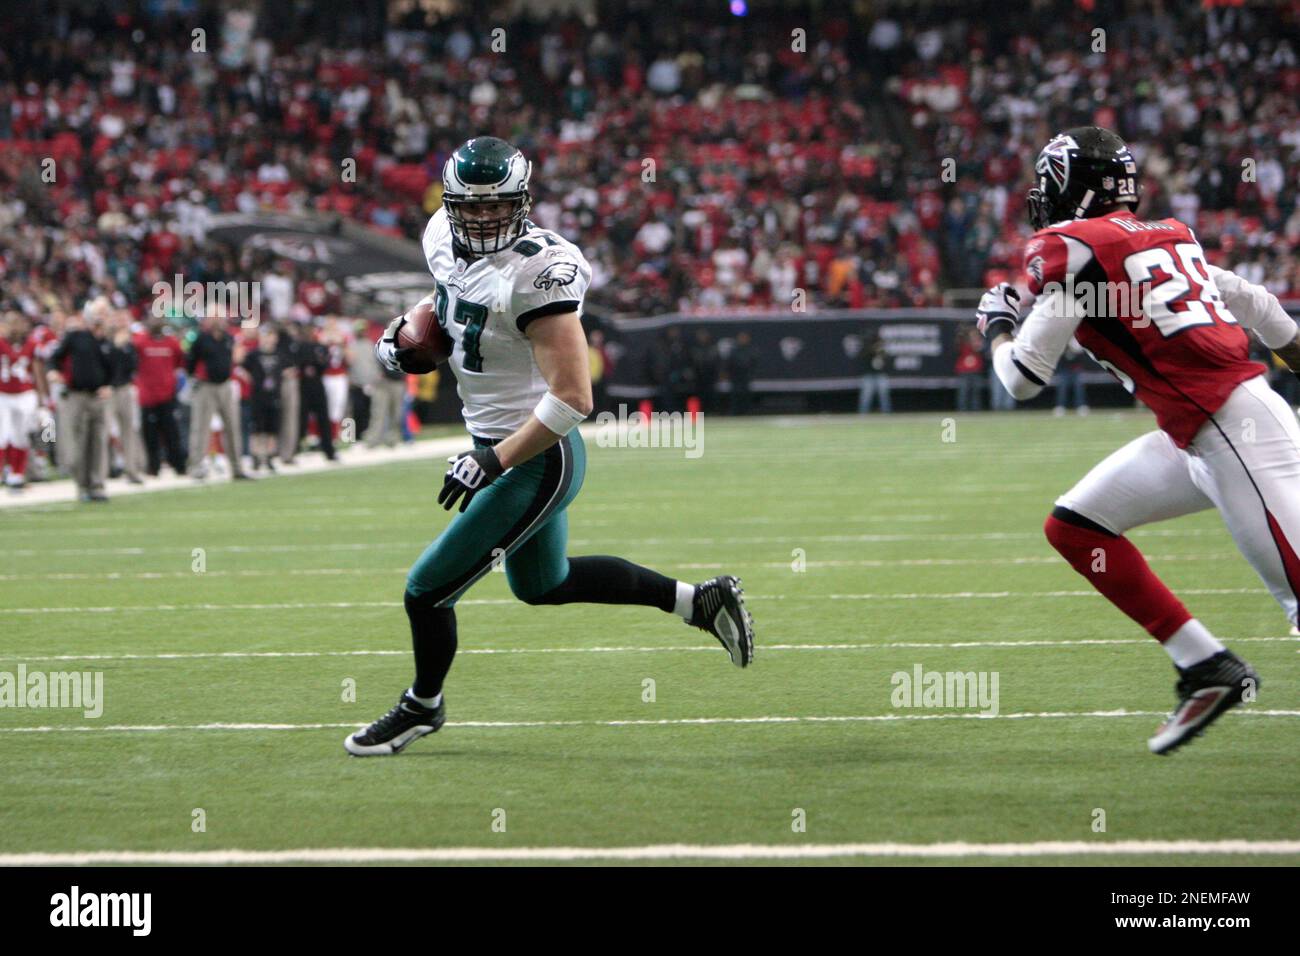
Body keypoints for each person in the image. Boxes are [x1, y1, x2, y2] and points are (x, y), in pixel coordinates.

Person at [347, 136, 755, 757]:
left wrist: (492, 460)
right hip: (502, 445)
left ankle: (421, 706)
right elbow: (448, 298)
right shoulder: (439, 235)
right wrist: (402, 335)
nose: (484, 218)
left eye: (497, 205)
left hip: (537, 457)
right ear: (451, 202)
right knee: (543, 584)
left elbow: (573, 400)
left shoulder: (539, 271)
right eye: (471, 206)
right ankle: (699, 602)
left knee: (425, 590)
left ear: (523, 200)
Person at [976, 127, 1300, 754]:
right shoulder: (1169, 240)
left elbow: (1020, 378)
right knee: (1077, 525)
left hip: (1232, 427)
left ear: (1071, 188)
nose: (1041, 200)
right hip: (1201, 433)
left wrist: (996, 327)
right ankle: (1206, 665)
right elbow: (1255, 303)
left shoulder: (1077, 252)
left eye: (1048, 187)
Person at [49, 306, 113, 501]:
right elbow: (55, 358)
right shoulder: (76, 337)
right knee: (79, 442)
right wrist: (54, 372)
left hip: (98, 396)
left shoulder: (106, 341)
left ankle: (97, 484)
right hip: (77, 395)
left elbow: (114, 368)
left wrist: (109, 385)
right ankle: (82, 485)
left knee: (98, 441)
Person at [187, 312, 250, 480]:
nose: (218, 320)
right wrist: (196, 378)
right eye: (214, 316)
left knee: (232, 427)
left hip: (226, 385)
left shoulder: (229, 338)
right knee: (201, 427)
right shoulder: (201, 339)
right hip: (206, 386)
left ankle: (237, 468)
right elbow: (190, 362)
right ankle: (196, 467)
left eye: (220, 316)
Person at [134, 317, 188, 476]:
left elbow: (180, 362)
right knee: (150, 434)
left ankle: (178, 465)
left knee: (172, 432)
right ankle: (153, 466)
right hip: (147, 396)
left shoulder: (171, 342)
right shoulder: (141, 342)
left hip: (167, 395)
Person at [0, 312, 46, 490]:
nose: (14, 327)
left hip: (25, 393)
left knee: (21, 436)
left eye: (17, 323)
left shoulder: (32, 343)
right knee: (2, 435)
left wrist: (42, 398)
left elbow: (37, 371)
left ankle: (17, 474)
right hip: (3, 393)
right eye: (11, 323)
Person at [106, 311, 143, 484]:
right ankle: (105, 469)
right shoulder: (105, 340)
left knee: (129, 430)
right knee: (103, 431)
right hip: (107, 390)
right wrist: (115, 346)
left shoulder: (129, 342)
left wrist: (124, 346)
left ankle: (132, 469)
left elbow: (134, 365)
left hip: (125, 388)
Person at [243, 326, 284, 472]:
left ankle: (269, 456)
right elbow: (242, 368)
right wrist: (251, 380)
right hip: (258, 396)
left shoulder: (279, 354)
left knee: (271, 429)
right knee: (257, 428)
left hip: (274, 395)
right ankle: (256, 456)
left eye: (271, 335)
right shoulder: (254, 355)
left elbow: (288, 369)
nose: (268, 339)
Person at [296, 327, 337, 462]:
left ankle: (328, 450)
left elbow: (324, 364)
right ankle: (296, 448)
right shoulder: (299, 347)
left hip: (315, 385)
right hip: (305, 385)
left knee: (322, 419)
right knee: (302, 419)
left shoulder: (317, 347)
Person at [857, 330, 892, 413]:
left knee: (884, 395)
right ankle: (863, 414)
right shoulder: (866, 346)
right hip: (869, 374)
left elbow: (887, 358)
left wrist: (880, 351)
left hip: (880, 374)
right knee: (866, 396)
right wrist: (873, 349)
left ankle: (887, 414)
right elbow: (862, 356)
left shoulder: (881, 346)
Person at [726, 330, 757, 416]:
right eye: (741, 338)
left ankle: (746, 411)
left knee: (745, 395)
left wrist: (750, 373)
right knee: (735, 395)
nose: (743, 339)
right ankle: (734, 412)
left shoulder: (751, 350)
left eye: (745, 338)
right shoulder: (734, 350)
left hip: (745, 376)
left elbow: (753, 363)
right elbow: (730, 363)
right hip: (735, 376)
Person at [954, 326, 984, 411]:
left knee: (976, 392)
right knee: (963, 392)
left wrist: (976, 341)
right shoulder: (963, 344)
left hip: (975, 371)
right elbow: (957, 346)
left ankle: (976, 410)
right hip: (964, 371)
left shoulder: (978, 343)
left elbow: (979, 349)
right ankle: (962, 410)